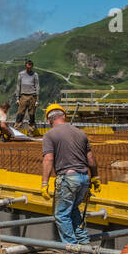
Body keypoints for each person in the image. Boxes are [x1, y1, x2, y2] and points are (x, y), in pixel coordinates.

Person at [40, 103, 98, 245]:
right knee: (73, 211)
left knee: (61, 214)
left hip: (68, 179)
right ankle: (84, 243)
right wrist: (95, 177)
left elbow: (48, 159)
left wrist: (44, 183)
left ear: (49, 121)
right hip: (84, 178)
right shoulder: (80, 133)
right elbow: (90, 158)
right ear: (64, 116)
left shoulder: (49, 135)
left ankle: (73, 246)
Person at [14, 60, 40, 127]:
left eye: (31, 66)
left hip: (32, 96)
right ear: (26, 66)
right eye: (28, 66)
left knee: (31, 114)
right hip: (23, 96)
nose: (29, 67)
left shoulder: (35, 75)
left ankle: (31, 130)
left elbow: (37, 86)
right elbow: (18, 85)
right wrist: (17, 98)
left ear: (32, 66)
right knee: (20, 113)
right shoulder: (21, 74)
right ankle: (16, 128)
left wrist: (37, 100)